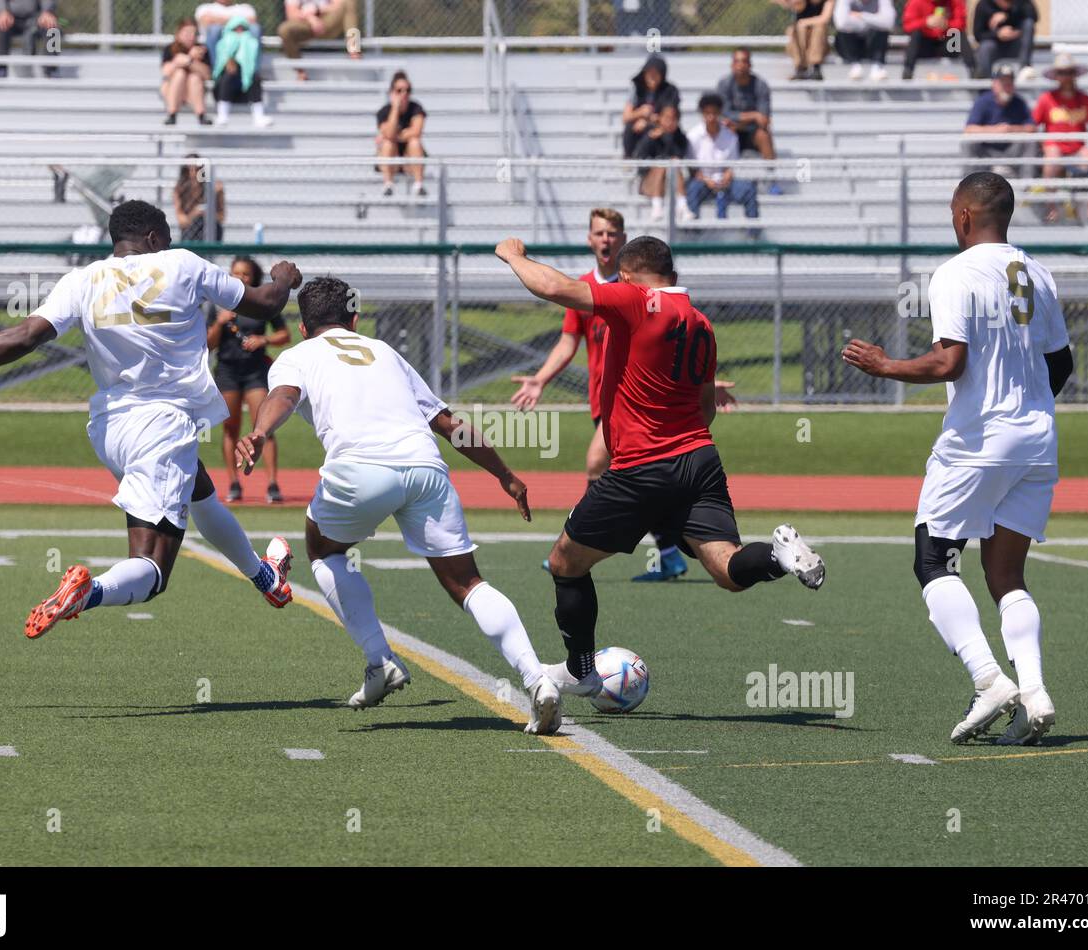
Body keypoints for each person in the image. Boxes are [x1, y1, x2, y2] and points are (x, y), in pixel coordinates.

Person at [0, 200, 303, 635]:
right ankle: (90, 591)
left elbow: (23, 336)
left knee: (200, 491)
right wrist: (283, 277)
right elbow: (266, 304)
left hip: (110, 427)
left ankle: (264, 577)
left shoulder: (83, 279)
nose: (170, 243)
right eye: (167, 236)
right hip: (163, 425)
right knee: (152, 569)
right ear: (154, 238)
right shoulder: (182, 263)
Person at [496, 235, 825, 700]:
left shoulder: (635, 300)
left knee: (564, 564)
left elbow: (553, 287)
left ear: (627, 276)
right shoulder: (702, 324)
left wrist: (513, 255)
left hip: (641, 468)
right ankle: (778, 556)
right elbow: (706, 408)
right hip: (699, 460)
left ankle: (582, 671)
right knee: (727, 569)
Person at [236, 276, 563, 734]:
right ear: (353, 319)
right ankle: (537, 679)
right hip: (425, 467)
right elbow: (448, 424)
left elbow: (284, 397)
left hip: (360, 470)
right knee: (468, 583)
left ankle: (379, 661)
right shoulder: (384, 351)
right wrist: (503, 473)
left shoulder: (297, 355)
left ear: (305, 327)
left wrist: (260, 432)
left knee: (323, 550)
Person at [841, 171, 1072, 746]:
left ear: (965, 216)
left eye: (952, 212)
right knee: (1006, 574)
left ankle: (989, 679)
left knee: (933, 560)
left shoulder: (954, 273)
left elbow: (950, 363)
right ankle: (1035, 693)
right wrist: (1027, 406)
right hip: (1037, 439)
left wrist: (885, 365)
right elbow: (1062, 364)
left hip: (978, 442)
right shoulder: (1037, 273)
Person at [510, 207, 735, 583]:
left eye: (612, 234)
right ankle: (663, 547)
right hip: (608, 402)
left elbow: (678, 352)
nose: (605, 240)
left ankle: (581, 545)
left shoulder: (641, 297)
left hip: (639, 411)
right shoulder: (586, 288)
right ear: (589, 239)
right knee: (638, 476)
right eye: (599, 233)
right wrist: (541, 378)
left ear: (622, 239)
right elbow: (568, 341)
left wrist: (695, 384)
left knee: (599, 462)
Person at [207, 256, 291, 504]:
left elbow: (284, 334)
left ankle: (273, 484)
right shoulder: (219, 304)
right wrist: (220, 323)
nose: (240, 278)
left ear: (253, 277)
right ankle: (234, 483)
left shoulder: (262, 302)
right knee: (230, 428)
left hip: (255, 371)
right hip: (228, 371)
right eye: (235, 273)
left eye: (245, 274)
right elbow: (209, 344)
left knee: (264, 427)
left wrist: (263, 340)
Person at [1032, 52, 1088, 225]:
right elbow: (1033, 125)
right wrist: (1044, 145)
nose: (1066, 77)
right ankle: (1051, 206)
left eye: (1069, 72)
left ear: (1075, 74)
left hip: (1077, 148)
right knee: (1052, 158)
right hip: (1054, 146)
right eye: (1062, 73)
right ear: (1056, 76)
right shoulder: (1046, 99)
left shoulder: (1086, 99)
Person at [685, 93, 759, 222]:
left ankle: (754, 236)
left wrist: (727, 176)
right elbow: (692, 169)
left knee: (748, 189)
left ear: (719, 113)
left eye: (714, 113)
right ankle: (693, 233)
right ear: (702, 114)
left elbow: (732, 165)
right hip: (703, 183)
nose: (711, 117)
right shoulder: (693, 136)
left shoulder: (730, 136)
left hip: (726, 183)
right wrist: (707, 180)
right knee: (692, 189)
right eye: (707, 113)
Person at [716, 48, 780, 194]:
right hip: (732, 132)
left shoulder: (760, 85)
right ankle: (721, 180)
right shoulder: (724, 84)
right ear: (732, 65)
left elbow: (764, 119)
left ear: (750, 65)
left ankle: (772, 181)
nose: (740, 65)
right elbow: (723, 115)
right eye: (737, 61)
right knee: (724, 129)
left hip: (753, 134)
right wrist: (753, 116)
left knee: (764, 134)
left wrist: (739, 119)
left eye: (744, 61)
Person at [963, 62, 1035, 178]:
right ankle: (968, 185)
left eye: (1009, 83)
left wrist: (1011, 129)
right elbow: (969, 129)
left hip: (1012, 151)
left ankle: (1027, 186)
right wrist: (994, 130)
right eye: (1003, 83)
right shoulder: (983, 101)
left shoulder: (1019, 102)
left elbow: (1031, 128)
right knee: (969, 143)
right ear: (994, 84)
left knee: (1031, 142)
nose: (1006, 87)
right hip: (987, 151)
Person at [633, 102, 690, 222]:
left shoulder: (680, 138)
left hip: (671, 184)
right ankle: (657, 206)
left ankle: (683, 206)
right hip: (649, 183)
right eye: (667, 118)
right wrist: (650, 138)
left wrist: (668, 137)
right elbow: (640, 161)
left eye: (673, 118)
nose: (670, 122)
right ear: (659, 118)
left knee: (674, 165)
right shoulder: (650, 135)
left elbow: (679, 155)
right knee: (661, 165)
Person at [278, 0, 360, 81]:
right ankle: (300, 72)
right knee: (284, 30)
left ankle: (353, 49)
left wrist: (318, 10)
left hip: (326, 22)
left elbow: (337, 4)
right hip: (304, 25)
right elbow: (292, 14)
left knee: (349, 1)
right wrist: (311, 18)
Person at [214, 15, 272, 127]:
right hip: (226, 83)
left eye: (242, 28)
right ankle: (222, 114)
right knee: (228, 76)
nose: (239, 31)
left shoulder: (251, 43)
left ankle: (258, 116)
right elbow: (219, 65)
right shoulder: (222, 44)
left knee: (254, 78)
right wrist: (229, 61)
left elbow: (251, 63)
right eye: (236, 28)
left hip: (247, 82)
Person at [375, 71, 426, 197]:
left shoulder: (416, 108)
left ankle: (419, 185)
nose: (404, 94)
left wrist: (395, 135)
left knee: (414, 142)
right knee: (387, 144)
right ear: (392, 92)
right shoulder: (384, 111)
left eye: (407, 90)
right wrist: (396, 109)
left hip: (409, 159)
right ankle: (388, 184)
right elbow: (390, 134)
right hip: (393, 159)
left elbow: (416, 132)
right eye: (399, 90)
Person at [622, 54, 680, 159]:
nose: (652, 76)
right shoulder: (637, 87)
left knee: (661, 135)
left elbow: (670, 119)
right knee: (630, 128)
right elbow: (626, 117)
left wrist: (649, 121)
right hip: (641, 129)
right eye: (649, 73)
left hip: (661, 129)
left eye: (656, 73)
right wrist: (640, 113)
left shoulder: (670, 90)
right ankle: (629, 159)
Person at [901, 0, 976, 81]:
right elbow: (907, 26)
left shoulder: (954, 2)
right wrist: (926, 22)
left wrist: (947, 24)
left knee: (958, 33)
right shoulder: (916, 2)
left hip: (947, 46)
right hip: (925, 47)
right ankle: (908, 70)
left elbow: (961, 23)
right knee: (916, 33)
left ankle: (973, 69)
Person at [161, 17, 212, 126]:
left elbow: (207, 75)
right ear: (179, 33)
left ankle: (201, 114)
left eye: (194, 33)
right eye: (187, 33)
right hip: (172, 90)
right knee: (180, 74)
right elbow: (166, 72)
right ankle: (172, 114)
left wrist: (189, 60)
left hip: (193, 92)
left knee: (194, 78)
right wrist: (179, 62)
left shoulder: (201, 50)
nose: (191, 36)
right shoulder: (170, 49)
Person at [0, 0, 59, 78]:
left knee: (53, 31)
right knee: (2, 26)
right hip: (11, 17)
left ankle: (51, 70)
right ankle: (1, 70)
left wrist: (47, 11)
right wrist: (3, 11)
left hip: (36, 17)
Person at [972, 0, 1036, 81]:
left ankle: (1025, 68)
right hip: (994, 47)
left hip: (1016, 45)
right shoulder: (984, 5)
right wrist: (997, 34)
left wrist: (1007, 15)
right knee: (985, 47)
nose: (1008, 3)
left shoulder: (1020, 2)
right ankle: (985, 81)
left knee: (1028, 24)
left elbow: (1034, 16)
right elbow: (978, 35)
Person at [833, 0, 895, 82]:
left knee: (881, 31)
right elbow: (841, 23)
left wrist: (861, 16)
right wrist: (874, 20)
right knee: (843, 32)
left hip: (872, 44)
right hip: (851, 46)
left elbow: (888, 23)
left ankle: (877, 66)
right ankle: (855, 65)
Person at [777, 0, 832, 81]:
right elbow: (794, 5)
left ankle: (815, 67)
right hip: (802, 36)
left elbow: (825, 18)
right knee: (794, 30)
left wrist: (805, 22)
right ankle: (800, 67)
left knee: (819, 28)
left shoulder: (828, 1)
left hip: (820, 42)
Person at [174, 155, 224, 242]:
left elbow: (221, 217)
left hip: (211, 227)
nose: (194, 172)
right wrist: (195, 213)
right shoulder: (180, 190)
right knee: (194, 225)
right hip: (190, 231)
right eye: (190, 168)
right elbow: (182, 221)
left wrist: (208, 213)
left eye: (198, 168)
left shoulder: (213, 188)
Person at [195, 0, 259, 66]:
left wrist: (219, 20)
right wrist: (239, 22)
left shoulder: (245, 8)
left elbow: (252, 21)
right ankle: (217, 69)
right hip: (216, 47)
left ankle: (253, 70)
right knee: (214, 29)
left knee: (255, 29)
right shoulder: (205, 8)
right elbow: (206, 21)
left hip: (241, 46)